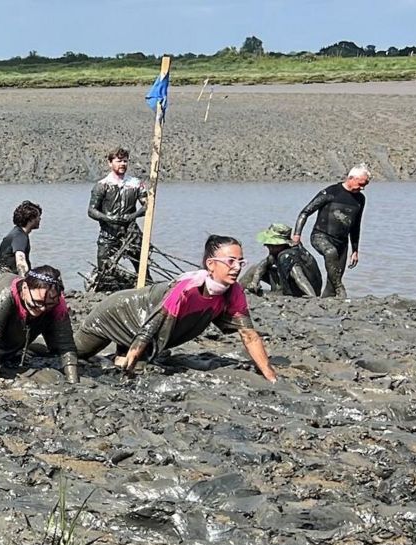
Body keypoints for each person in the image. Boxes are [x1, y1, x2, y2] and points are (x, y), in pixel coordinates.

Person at [73, 235, 278, 383]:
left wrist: (270, 375)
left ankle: (122, 354)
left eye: (240, 262)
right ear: (211, 264)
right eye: (230, 262)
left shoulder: (233, 292)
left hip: (143, 322)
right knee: (73, 352)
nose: (237, 267)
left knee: (141, 362)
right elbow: (152, 325)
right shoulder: (187, 287)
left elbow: (249, 335)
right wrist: (133, 357)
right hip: (117, 311)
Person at [291, 164, 370, 298]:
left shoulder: (360, 199)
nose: (362, 188)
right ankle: (341, 289)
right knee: (330, 253)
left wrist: (355, 250)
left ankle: (327, 304)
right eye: (361, 184)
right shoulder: (331, 192)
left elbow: (356, 225)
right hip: (320, 236)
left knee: (334, 277)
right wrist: (297, 234)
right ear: (351, 178)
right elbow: (305, 212)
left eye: (365, 185)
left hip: (342, 242)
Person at [87, 147, 147, 283]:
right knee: (104, 271)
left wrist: (133, 216)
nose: (122, 164)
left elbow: (147, 205)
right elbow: (91, 211)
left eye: (125, 161)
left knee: (143, 268)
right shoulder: (102, 185)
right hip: (108, 233)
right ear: (110, 163)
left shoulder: (136, 184)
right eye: (119, 161)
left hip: (131, 232)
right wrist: (109, 218)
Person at [242, 223, 323, 297]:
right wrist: (254, 282)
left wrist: (312, 296)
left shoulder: (286, 256)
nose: (267, 246)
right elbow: (263, 264)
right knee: (254, 269)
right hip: (302, 285)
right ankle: (237, 291)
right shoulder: (279, 252)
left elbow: (299, 277)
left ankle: (277, 293)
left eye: (271, 244)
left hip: (301, 291)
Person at [0, 200, 42, 276]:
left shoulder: (16, 233)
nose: (40, 219)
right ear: (31, 219)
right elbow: (20, 260)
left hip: (4, 277)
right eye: (38, 217)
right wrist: (24, 281)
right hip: (12, 278)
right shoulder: (20, 236)